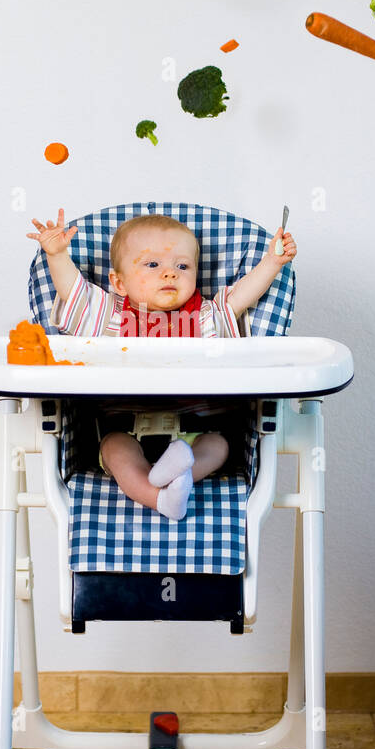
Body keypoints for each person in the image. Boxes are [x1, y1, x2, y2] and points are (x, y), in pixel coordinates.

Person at [26, 209, 296, 520]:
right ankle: (159, 495)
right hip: (125, 430)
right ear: (119, 282)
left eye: (182, 265)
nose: (170, 273)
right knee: (113, 449)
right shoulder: (106, 315)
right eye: (152, 264)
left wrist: (274, 261)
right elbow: (72, 290)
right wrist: (57, 254)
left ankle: (170, 476)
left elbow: (245, 293)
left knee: (219, 447)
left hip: (194, 433)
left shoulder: (208, 317)